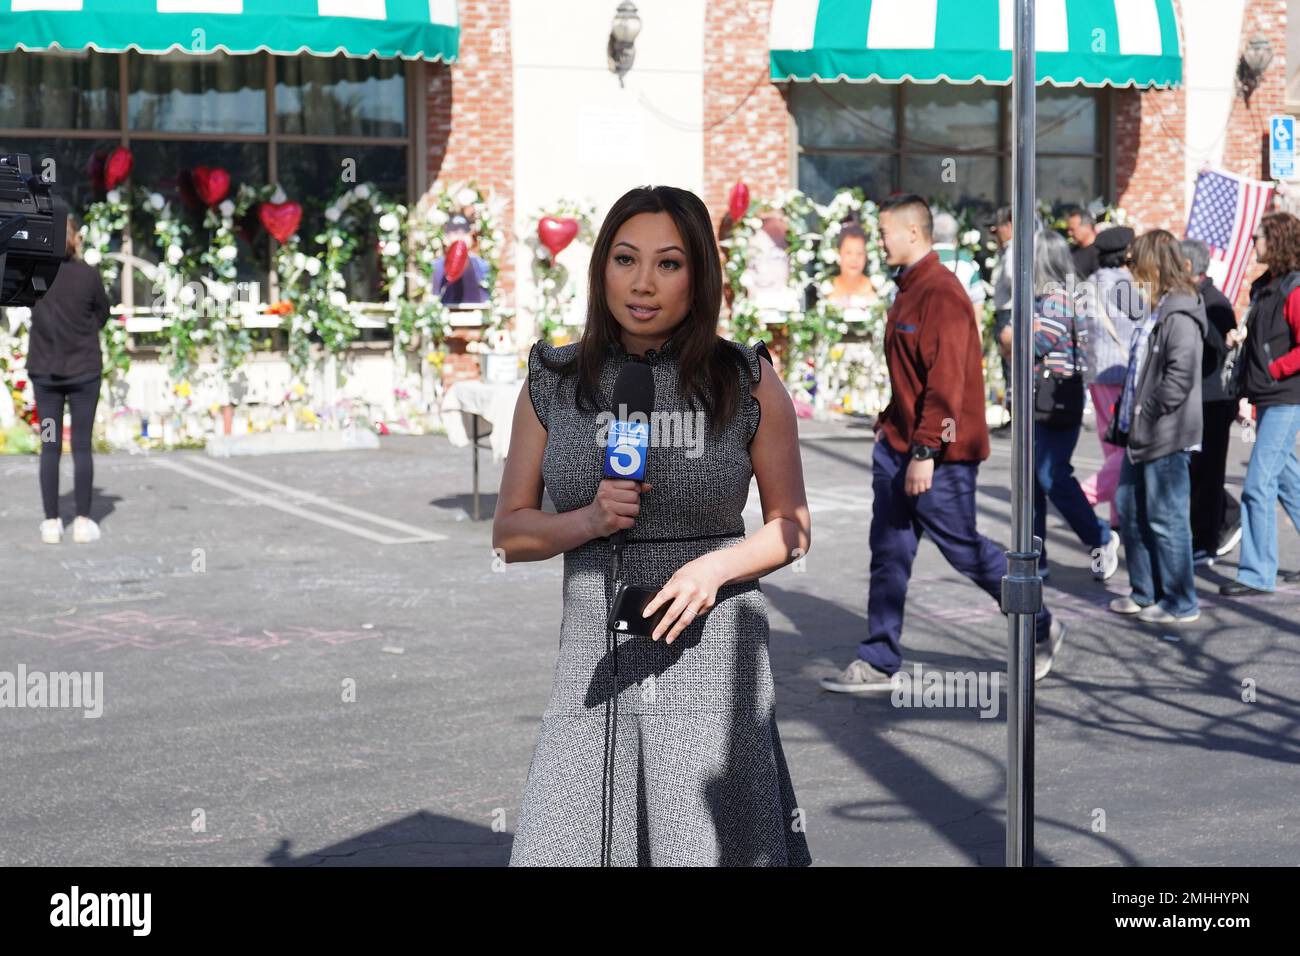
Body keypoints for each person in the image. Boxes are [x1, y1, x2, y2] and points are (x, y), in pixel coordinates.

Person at [496, 185, 812, 866]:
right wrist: (587, 519)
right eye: (625, 259)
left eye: (669, 264)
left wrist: (713, 569)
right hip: (592, 659)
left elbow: (791, 527)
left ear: (699, 275)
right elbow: (511, 533)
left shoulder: (747, 380)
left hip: (713, 658)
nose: (643, 283)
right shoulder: (552, 381)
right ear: (600, 267)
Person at [820, 194, 1064, 693]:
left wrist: (926, 451)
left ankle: (1040, 623)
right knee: (888, 552)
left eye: (885, 231)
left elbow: (947, 382)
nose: (878, 240)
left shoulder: (942, 294)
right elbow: (911, 375)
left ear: (913, 234)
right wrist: (891, 419)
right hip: (900, 446)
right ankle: (879, 659)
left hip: (938, 456)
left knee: (966, 551)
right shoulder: (909, 288)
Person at [1107, 230, 1207, 624]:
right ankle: (1145, 591)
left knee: (1166, 518)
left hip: (1166, 432)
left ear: (1152, 265)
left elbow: (1179, 377)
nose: (1129, 271)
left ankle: (1181, 601)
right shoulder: (1159, 307)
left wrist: (1146, 411)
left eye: (1134, 263)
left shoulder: (1179, 311)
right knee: (1131, 510)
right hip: (1143, 432)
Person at [1219, 211, 1300, 597]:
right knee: (1288, 481)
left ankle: (1257, 573)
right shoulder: (1264, 285)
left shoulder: (1295, 289)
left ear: (1278, 241)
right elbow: (1263, 334)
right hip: (1267, 393)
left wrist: (1273, 368)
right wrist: (1242, 340)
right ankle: (1260, 570)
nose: (1253, 242)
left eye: (1259, 237)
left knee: (1258, 484)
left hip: (1286, 395)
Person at [1031, 230, 1119, 581]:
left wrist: (1012, 334)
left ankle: (1098, 536)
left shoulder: (1056, 298)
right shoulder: (1064, 294)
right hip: (1052, 398)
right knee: (1034, 483)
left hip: (1054, 401)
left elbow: (1036, 343)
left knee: (1050, 476)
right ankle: (1035, 556)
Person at [25, 214, 109, 545]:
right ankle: (84, 522)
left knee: (50, 446)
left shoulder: (36, 277)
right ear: (74, 238)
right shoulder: (88, 275)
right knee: (82, 446)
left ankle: (50, 522)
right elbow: (103, 314)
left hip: (46, 376)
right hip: (84, 373)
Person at [1180, 238, 1243, 565]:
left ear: (1189, 267)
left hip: (1214, 401)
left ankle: (1206, 540)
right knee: (1194, 471)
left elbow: (1222, 346)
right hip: (1196, 399)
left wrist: (1197, 318)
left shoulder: (1214, 302)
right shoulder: (1194, 299)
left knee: (1208, 471)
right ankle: (1229, 516)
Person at [1079, 226, 1142, 528]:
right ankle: (1084, 495)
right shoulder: (1124, 285)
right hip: (1121, 372)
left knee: (1111, 447)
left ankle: (1119, 515)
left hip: (1096, 373)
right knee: (1126, 448)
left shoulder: (1089, 284)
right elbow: (1143, 323)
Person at [932, 211, 987, 312]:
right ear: (955, 237)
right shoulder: (967, 262)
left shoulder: (920, 260)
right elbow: (977, 299)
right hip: (958, 325)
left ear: (932, 236)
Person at [431, 214, 490, 305]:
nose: (460, 236)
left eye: (464, 231)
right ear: (446, 236)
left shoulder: (481, 265)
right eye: (455, 231)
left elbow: (486, 299)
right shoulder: (436, 266)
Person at [990, 206, 1014, 432]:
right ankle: (1012, 413)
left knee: (1011, 365)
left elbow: (1011, 279)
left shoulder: (1013, 250)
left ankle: (1016, 415)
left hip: (1009, 312)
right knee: (1008, 365)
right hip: (1005, 311)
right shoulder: (1007, 250)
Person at [827, 222, 879, 310]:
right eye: (848, 253)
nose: (854, 259)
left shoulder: (875, 290)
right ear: (839, 254)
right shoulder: (828, 289)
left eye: (859, 253)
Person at [1066, 206, 1100, 279]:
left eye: (1072, 229)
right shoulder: (1070, 251)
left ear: (1087, 227)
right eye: (1068, 230)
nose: (1069, 233)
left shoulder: (1100, 252)